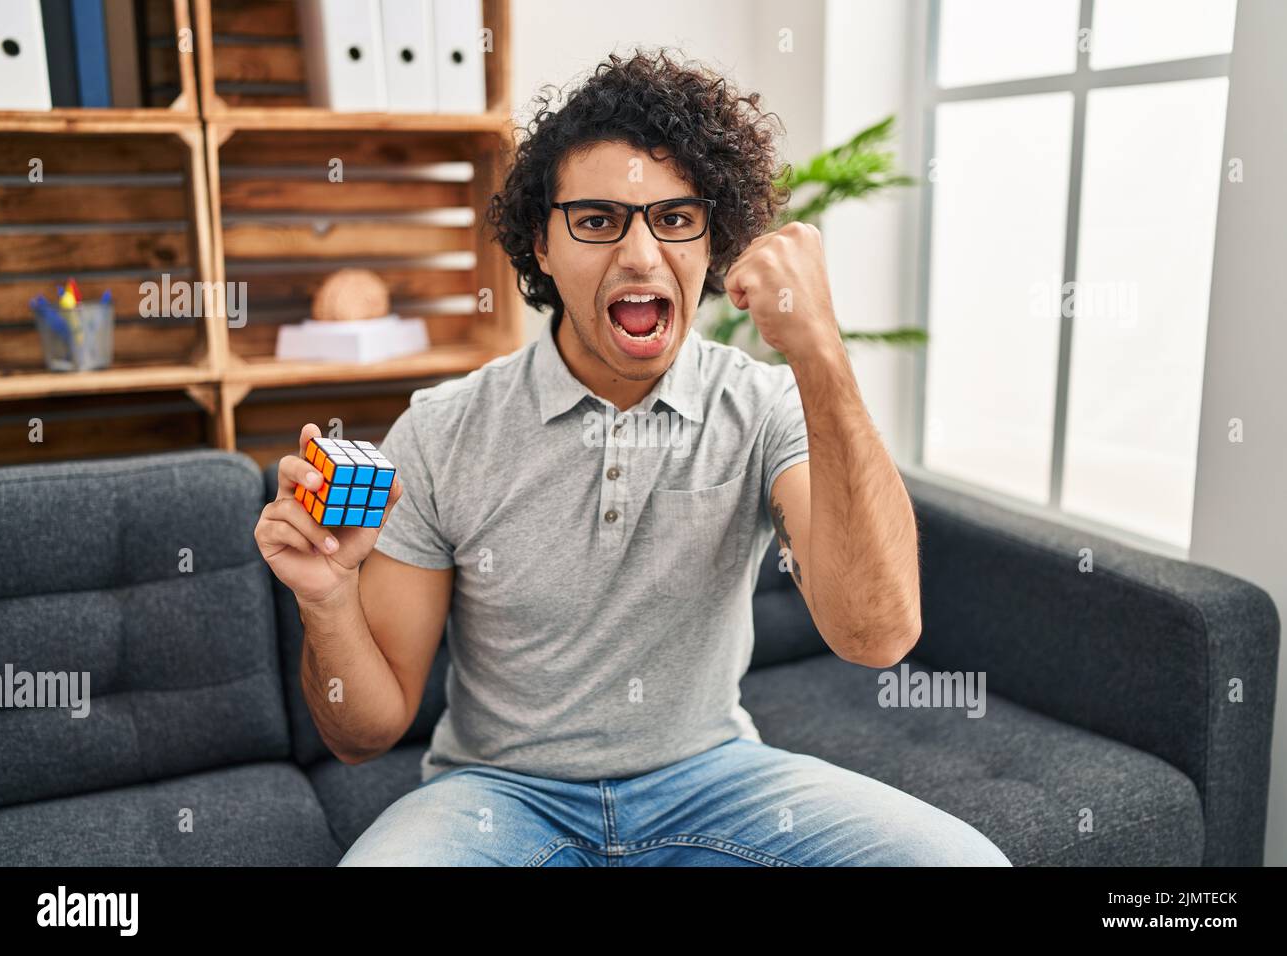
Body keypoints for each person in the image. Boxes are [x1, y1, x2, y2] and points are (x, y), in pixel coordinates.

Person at [253, 47, 1011, 867]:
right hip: (498, 797)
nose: (643, 255)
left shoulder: (762, 408)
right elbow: (364, 734)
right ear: (541, 245)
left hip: (714, 781)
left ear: (709, 242)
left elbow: (879, 636)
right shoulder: (443, 430)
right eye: (597, 220)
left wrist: (820, 353)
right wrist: (328, 601)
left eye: (676, 219)